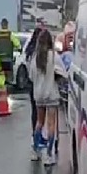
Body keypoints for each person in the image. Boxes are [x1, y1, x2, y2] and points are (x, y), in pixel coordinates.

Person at [27, 28, 59, 166]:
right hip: (51, 94)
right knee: (51, 125)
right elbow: (62, 72)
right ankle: (49, 155)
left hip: (38, 95)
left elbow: (31, 76)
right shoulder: (54, 57)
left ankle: (35, 151)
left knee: (39, 123)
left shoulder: (35, 57)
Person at [24, 19, 47, 160]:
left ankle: (36, 143)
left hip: (33, 87)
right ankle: (50, 148)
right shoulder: (44, 54)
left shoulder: (29, 52)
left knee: (36, 116)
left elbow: (30, 74)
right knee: (49, 118)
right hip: (45, 87)